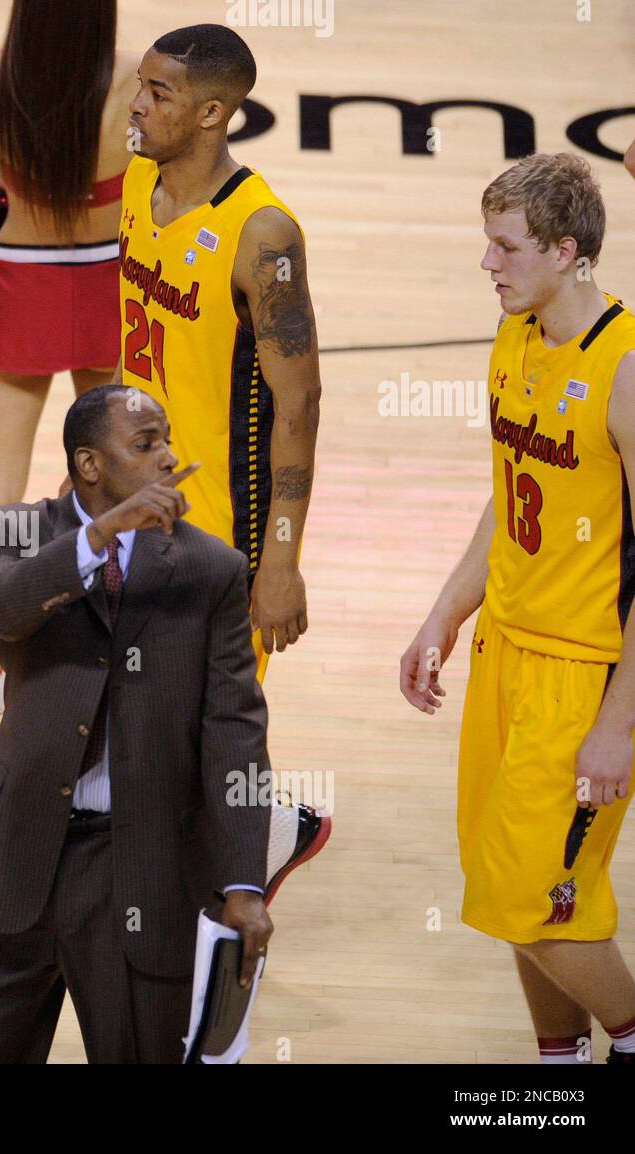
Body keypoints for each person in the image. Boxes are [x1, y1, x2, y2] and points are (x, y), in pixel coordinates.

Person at [0, 385, 276, 1063]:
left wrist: (243, 882)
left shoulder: (214, 570)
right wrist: (102, 535)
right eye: (146, 445)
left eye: (167, 440)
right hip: (13, 850)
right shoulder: (10, 529)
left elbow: (235, 732)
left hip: (142, 867)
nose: (169, 458)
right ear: (89, 464)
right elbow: (0, 607)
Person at [400, 154, 635, 1065]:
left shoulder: (622, 369)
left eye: (504, 247)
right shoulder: (519, 334)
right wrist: (445, 614)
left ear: (567, 251)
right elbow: (510, 497)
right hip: (507, 650)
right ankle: (558, 1070)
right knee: (512, 894)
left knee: (527, 895)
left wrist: (620, 723)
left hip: (583, 675)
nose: (486, 265)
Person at [0, 0, 140, 716]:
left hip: (23, 274)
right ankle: (114, 653)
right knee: (116, 476)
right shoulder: (136, 78)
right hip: (111, 281)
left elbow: (9, 179)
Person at [115, 23, 322, 684]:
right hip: (134, 500)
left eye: (158, 92)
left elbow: (299, 403)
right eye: (140, 86)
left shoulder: (262, 234)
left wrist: (281, 561)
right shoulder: (137, 179)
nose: (137, 105)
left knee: (196, 740)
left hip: (218, 532)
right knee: (129, 733)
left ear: (212, 112)